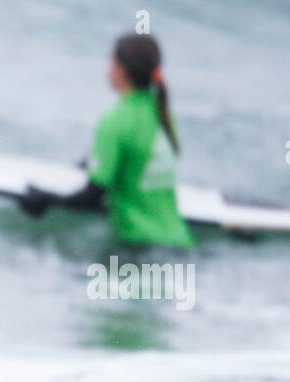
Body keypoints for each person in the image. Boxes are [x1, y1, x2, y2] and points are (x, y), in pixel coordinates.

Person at [20, 33, 195, 250]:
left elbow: (93, 196)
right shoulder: (164, 117)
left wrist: (46, 200)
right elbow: (139, 166)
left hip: (141, 248)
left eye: (110, 63)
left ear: (120, 70)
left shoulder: (115, 120)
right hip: (180, 244)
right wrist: (92, 164)